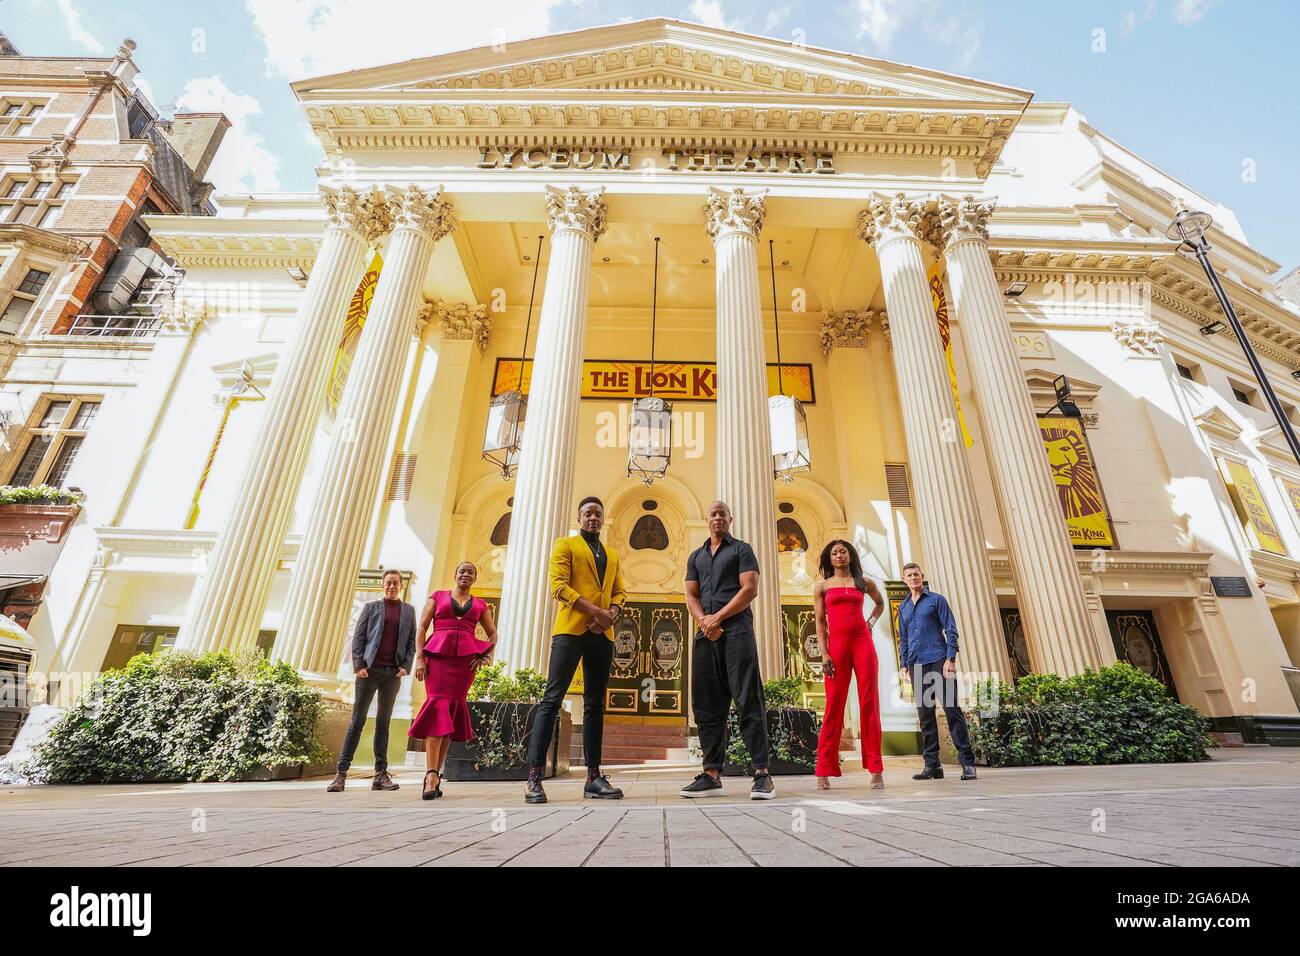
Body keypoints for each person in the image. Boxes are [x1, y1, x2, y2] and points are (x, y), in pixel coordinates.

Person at [524, 496, 628, 804]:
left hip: (602, 635)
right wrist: (597, 612)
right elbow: (558, 587)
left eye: (598, 514)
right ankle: (534, 778)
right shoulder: (565, 545)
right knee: (552, 699)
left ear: (603, 519)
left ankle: (593, 778)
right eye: (587, 514)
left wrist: (611, 614)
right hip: (570, 630)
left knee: (595, 704)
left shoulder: (611, 554)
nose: (593, 518)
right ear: (579, 518)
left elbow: (620, 591)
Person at [680, 500, 775, 800]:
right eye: (713, 514)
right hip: (705, 635)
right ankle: (711, 774)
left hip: (737, 633)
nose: (718, 517)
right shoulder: (695, 556)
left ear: (730, 519)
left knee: (748, 700)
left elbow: (750, 589)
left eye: (723, 513)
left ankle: (762, 774)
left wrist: (717, 618)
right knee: (706, 706)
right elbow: (690, 594)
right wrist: (704, 622)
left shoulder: (741, 550)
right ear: (706, 520)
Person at [409, 561, 497, 800]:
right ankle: (430, 774)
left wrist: (485, 656)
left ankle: (436, 774)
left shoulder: (480, 604)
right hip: (437, 658)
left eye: (471, 572)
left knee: (452, 711)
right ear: (455, 575)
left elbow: (492, 633)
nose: (466, 574)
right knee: (438, 707)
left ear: (474, 579)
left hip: (464, 664)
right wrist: (420, 658)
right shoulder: (437, 596)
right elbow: (422, 627)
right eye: (462, 571)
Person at [327, 569, 416, 792]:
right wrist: (359, 665)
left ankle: (380, 775)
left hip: (392, 675)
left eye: (395, 583)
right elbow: (359, 637)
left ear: (401, 586)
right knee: (357, 722)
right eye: (388, 583)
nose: (392, 586)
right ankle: (340, 775)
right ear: (382, 585)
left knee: (383, 724)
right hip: (368, 673)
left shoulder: (408, 611)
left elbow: (411, 641)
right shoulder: (371, 607)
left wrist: (405, 666)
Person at [813, 540, 886, 790]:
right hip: (837, 648)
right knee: (834, 705)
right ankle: (824, 770)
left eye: (843, 551)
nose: (839, 555)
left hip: (863, 644)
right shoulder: (822, 586)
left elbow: (880, 604)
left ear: (850, 555)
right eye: (834, 553)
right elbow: (820, 622)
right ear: (830, 558)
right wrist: (824, 653)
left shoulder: (863, 582)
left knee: (869, 703)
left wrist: (870, 623)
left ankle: (876, 769)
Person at [897, 561, 977, 781]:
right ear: (904, 579)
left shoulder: (936, 600)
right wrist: (903, 664)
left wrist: (950, 658)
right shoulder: (903, 607)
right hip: (916, 665)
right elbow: (904, 638)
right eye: (909, 575)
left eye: (916, 574)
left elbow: (951, 629)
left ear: (922, 576)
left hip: (939, 661)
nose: (913, 578)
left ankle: (967, 763)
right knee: (925, 716)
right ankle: (932, 765)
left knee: (952, 711)